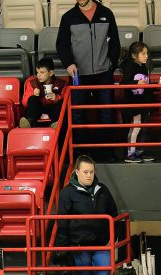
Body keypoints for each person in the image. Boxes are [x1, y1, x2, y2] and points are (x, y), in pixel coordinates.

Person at [57, 0, 120, 159]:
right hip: (79, 74)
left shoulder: (106, 14)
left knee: (107, 112)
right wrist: (69, 64)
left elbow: (115, 43)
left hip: (103, 72)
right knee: (77, 114)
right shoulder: (68, 17)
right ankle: (81, 153)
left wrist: (110, 64)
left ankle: (106, 152)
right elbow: (62, 45)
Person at [56, 155, 119, 275]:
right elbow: (62, 222)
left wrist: (113, 238)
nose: (89, 175)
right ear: (77, 172)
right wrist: (64, 249)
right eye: (85, 172)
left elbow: (115, 215)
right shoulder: (66, 193)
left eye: (91, 172)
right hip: (79, 246)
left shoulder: (103, 190)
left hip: (102, 245)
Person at [120, 41, 156, 163]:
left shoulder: (144, 67)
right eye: (143, 53)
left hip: (143, 103)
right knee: (136, 127)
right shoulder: (129, 66)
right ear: (134, 55)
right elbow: (124, 84)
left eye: (147, 53)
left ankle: (139, 152)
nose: (146, 56)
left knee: (143, 128)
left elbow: (145, 83)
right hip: (133, 103)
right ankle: (130, 153)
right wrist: (136, 83)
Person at [20, 57, 67, 128]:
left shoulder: (61, 83)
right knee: (32, 99)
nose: (38, 75)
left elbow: (67, 102)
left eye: (42, 72)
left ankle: (55, 124)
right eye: (37, 72)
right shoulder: (32, 83)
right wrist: (34, 94)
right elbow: (24, 103)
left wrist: (56, 98)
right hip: (38, 110)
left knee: (61, 102)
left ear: (50, 73)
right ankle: (29, 122)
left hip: (53, 109)